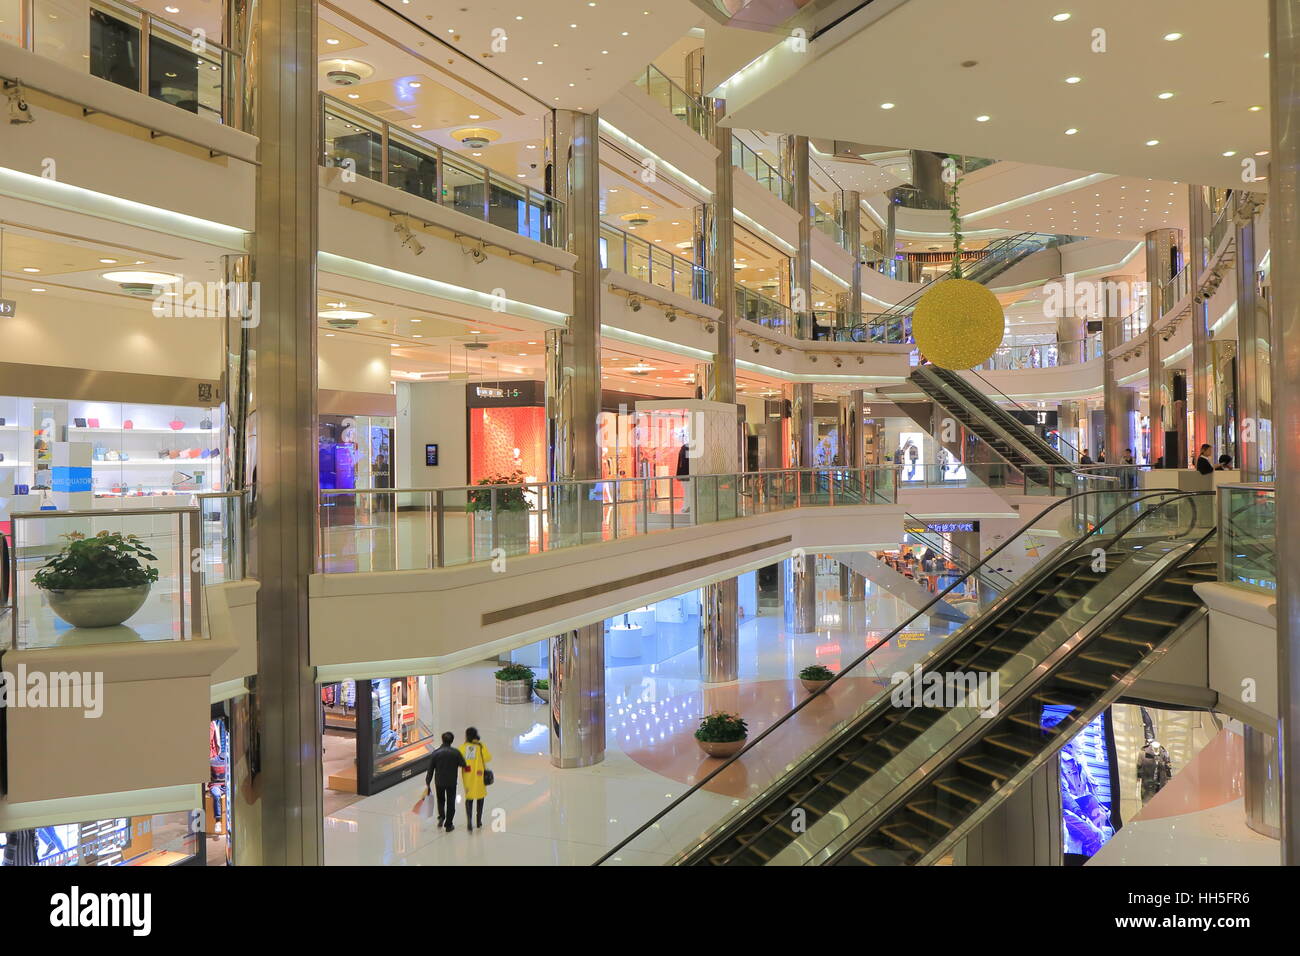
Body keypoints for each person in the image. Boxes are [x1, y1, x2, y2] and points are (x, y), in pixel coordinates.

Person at [423, 731, 468, 832]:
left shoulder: (435, 753)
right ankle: (449, 825)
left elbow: (430, 769)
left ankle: (441, 816)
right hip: (451, 781)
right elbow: (463, 764)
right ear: (452, 741)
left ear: (442, 740)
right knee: (451, 802)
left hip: (439, 781)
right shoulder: (455, 752)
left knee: (441, 800)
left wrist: (428, 781)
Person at [460, 727, 493, 832]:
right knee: (480, 797)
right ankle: (479, 821)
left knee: (469, 798)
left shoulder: (463, 747)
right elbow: (488, 758)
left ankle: (469, 822)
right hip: (479, 775)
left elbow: (459, 760)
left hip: (468, 775)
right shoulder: (480, 746)